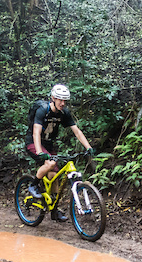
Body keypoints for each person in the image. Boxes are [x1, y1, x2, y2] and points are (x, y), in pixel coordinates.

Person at [24, 84, 94, 222]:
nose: (63, 103)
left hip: (49, 144)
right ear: (53, 98)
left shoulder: (64, 113)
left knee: (53, 175)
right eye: (60, 100)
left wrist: (88, 147)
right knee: (50, 163)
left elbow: (77, 131)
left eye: (65, 100)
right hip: (33, 142)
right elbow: (36, 132)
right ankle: (33, 185)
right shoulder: (42, 111)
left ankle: (54, 211)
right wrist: (39, 151)